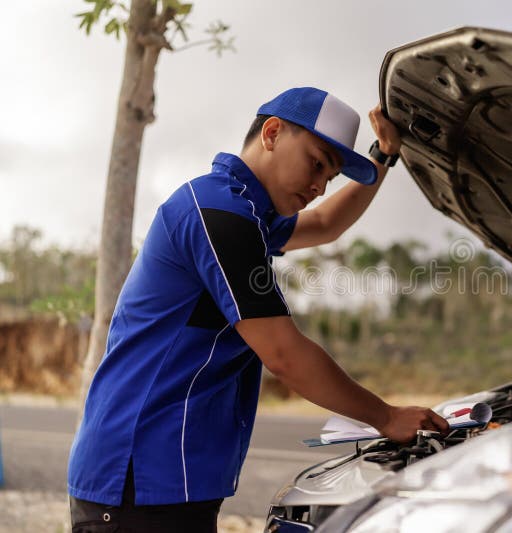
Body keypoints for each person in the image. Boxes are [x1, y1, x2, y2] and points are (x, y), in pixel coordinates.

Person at [67, 87, 449, 532]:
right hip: (137, 477)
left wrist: (384, 156)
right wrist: (387, 417)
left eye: (331, 176)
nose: (320, 185)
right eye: (317, 163)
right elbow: (284, 355)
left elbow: (326, 224)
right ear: (272, 133)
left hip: (166, 479)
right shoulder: (217, 214)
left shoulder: (248, 215)